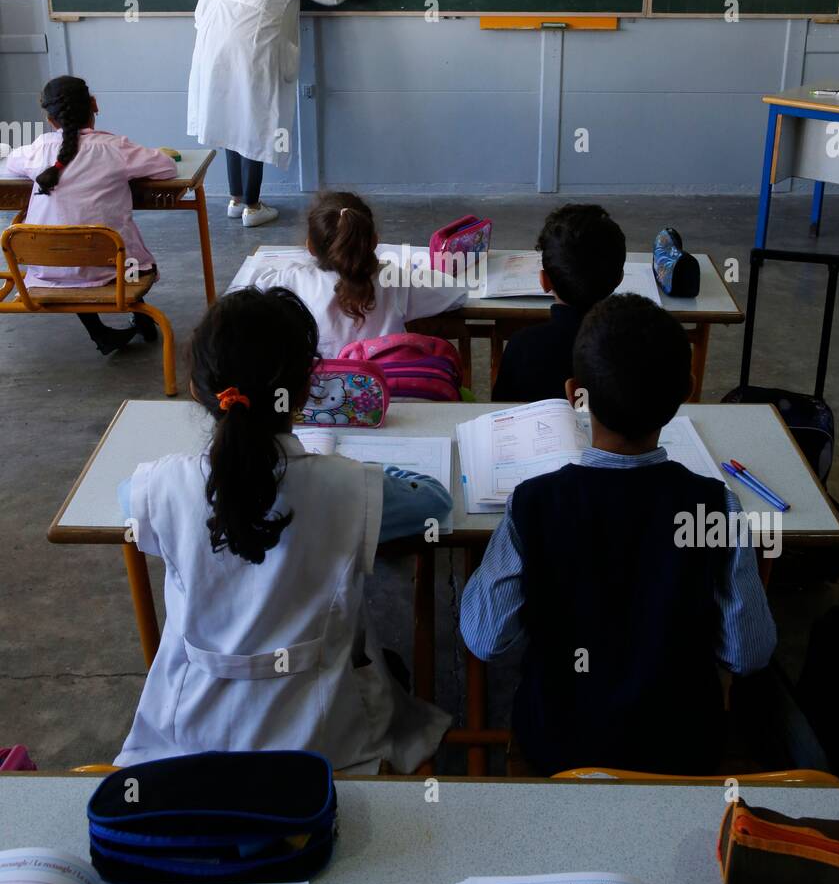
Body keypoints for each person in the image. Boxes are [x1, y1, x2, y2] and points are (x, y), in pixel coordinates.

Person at [115, 286, 452, 773]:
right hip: (323, 742)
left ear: (196, 389)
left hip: (189, 740)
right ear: (305, 389)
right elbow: (432, 501)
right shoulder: (346, 484)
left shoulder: (164, 484)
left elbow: (128, 495)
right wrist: (367, 469)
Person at [461, 294, 777, 776]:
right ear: (687, 391)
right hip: (682, 751)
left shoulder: (534, 503)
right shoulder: (716, 507)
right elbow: (746, 653)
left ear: (574, 395)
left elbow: (486, 638)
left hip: (560, 748)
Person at [188, 0, 371, 228]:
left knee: (230, 116)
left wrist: (207, 31)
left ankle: (236, 198)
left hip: (216, 38)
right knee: (254, 120)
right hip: (254, 46)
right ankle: (253, 207)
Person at [4, 75, 176, 355]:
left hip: (49, 271)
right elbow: (166, 167)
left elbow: (12, 161)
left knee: (71, 243)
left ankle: (101, 331)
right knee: (110, 249)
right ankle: (140, 315)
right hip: (118, 271)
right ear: (94, 105)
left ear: (50, 120)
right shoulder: (114, 148)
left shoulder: (37, 150)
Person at [229, 190, 467, 359]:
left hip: (321, 407)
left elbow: (237, 296)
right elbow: (457, 295)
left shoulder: (291, 279)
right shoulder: (396, 279)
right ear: (374, 242)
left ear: (310, 247)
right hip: (391, 401)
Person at [492, 203, 625, 403]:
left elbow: (502, 408)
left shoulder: (523, 346)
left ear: (544, 281)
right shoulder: (632, 347)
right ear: (620, 278)